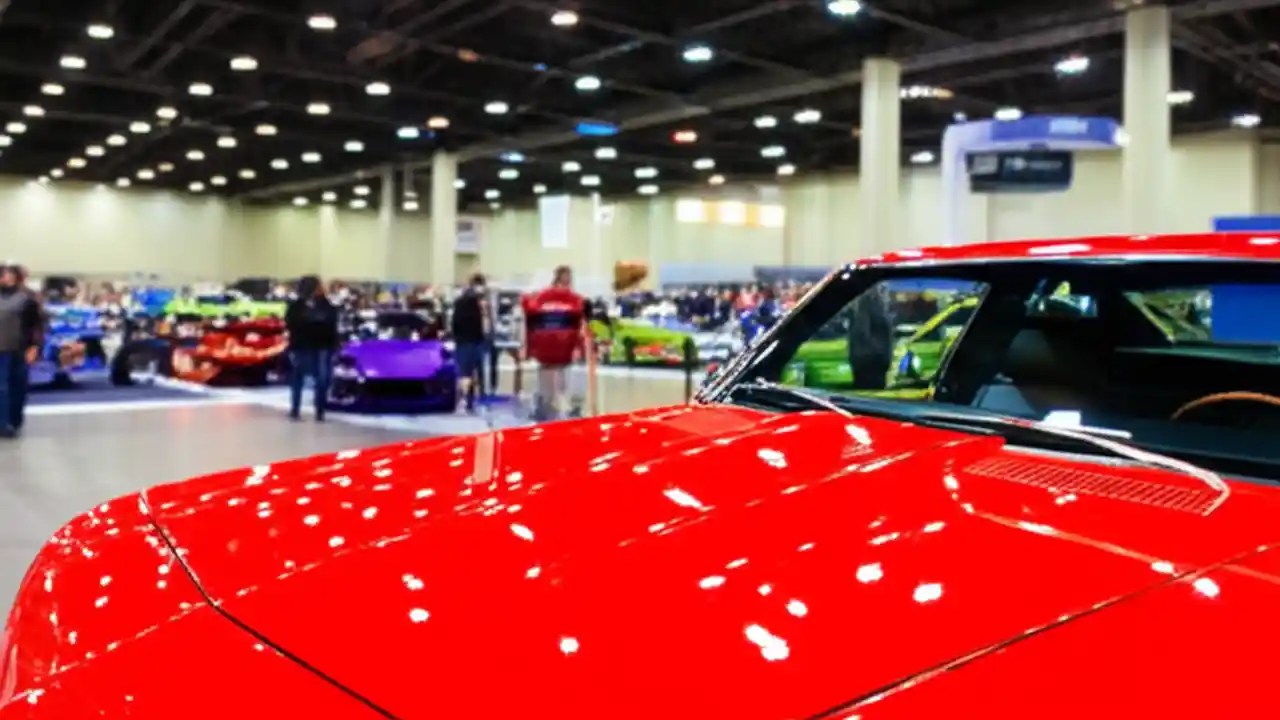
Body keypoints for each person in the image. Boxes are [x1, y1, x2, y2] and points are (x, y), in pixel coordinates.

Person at [521, 265, 595, 421]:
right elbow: (529, 314)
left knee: (560, 381)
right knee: (552, 382)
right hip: (553, 350)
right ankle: (547, 407)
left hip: (559, 350)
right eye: (566, 279)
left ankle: (557, 408)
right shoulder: (565, 299)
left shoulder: (570, 300)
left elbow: (581, 323)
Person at [285, 275, 339, 421]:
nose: (322, 288)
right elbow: (291, 325)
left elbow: (332, 324)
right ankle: (295, 408)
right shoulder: (296, 306)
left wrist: (335, 345)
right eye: (319, 286)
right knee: (298, 377)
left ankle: (320, 409)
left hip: (323, 346)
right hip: (302, 346)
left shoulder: (327, 305)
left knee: (323, 379)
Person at [0, 264, 40, 438]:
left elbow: (35, 325)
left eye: (8, 274)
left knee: (18, 388)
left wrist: (34, 346)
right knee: (1, 388)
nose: (5, 277)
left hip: (19, 349)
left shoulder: (26, 299)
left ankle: (14, 421)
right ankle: (3, 424)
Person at [450, 272, 491, 413]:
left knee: (466, 372)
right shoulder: (478, 302)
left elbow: (454, 322)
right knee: (474, 372)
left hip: (466, 340)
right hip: (473, 340)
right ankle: (473, 399)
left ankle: (467, 399)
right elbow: (484, 324)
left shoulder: (462, 301)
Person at [847, 282, 895, 391]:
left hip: (875, 359)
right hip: (870, 360)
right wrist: (878, 350)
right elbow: (862, 330)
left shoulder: (879, 306)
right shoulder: (866, 303)